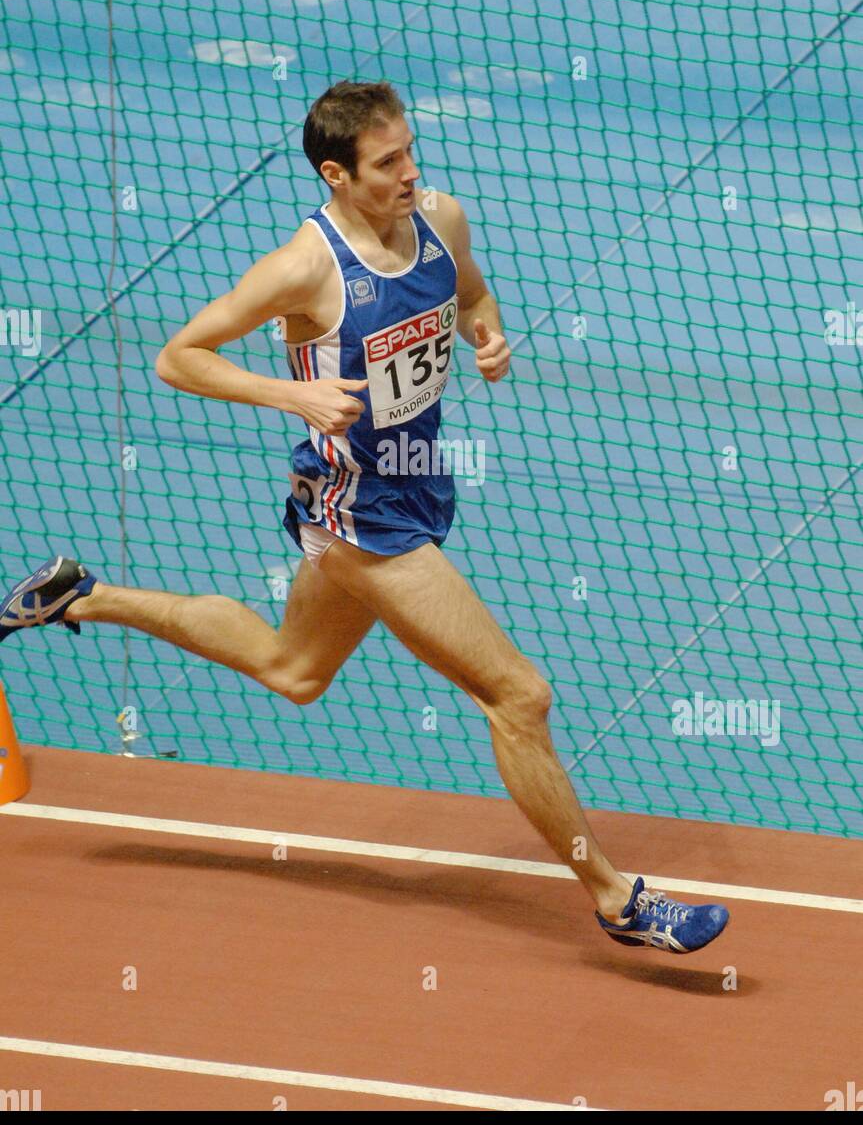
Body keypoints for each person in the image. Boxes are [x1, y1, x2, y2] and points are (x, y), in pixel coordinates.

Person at [1, 80, 728, 954]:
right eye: (389, 163)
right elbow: (177, 357)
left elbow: (470, 299)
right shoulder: (303, 268)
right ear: (337, 175)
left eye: (412, 151)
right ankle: (618, 901)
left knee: (293, 668)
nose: (411, 174)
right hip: (356, 514)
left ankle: (79, 596)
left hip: (418, 484)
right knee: (518, 695)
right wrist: (292, 392)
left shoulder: (440, 221)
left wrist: (487, 336)